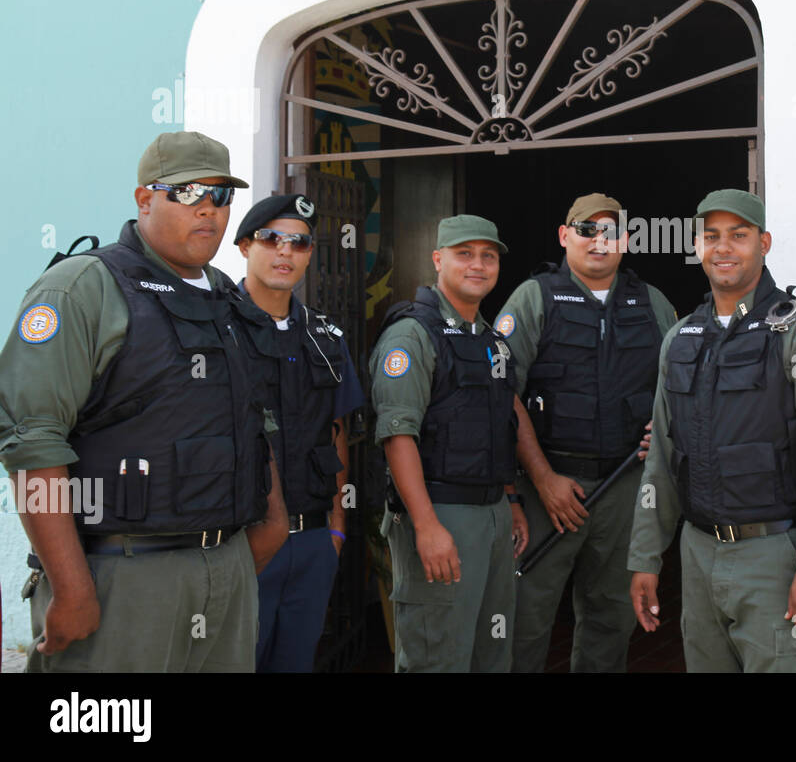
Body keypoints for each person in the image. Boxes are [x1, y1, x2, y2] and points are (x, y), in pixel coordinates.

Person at [0, 130, 288, 672]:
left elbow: (255, 419)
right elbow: (31, 441)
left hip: (226, 566)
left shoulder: (227, 296)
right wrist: (71, 586)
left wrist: (272, 521)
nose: (207, 208)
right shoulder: (84, 287)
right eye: (187, 192)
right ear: (144, 199)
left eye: (221, 194)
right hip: (123, 573)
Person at [627, 189, 796, 672]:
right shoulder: (681, 339)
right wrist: (646, 557)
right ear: (697, 246)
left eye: (739, 235)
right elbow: (663, 460)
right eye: (712, 236)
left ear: (764, 243)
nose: (724, 248)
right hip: (698, 554)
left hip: (775, 556)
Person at [496, 193, 677, 673]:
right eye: (587, 229)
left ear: (627, 240)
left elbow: (684, 384)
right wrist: (542, 480)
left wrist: (665, 430)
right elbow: (501, 394)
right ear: (564, 236)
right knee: (525, 620)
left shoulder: (651, 303)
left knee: (610, 621)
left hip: (624, 487)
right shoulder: (534, 298)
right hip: (549, 490)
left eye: (611, 231)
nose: (599, 240)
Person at [369, 214, 531, 672]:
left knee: (489, 655)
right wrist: (426, 526)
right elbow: (397, 434)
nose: (478, 265)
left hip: (492, 513)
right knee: (437, 656)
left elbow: (499, 426)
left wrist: (510, 500)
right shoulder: (412, 335)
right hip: (440, 512)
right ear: (438, 259)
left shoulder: (491, 341)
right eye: (465, 254)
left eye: (488, 256)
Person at [234, 193, 366, 672]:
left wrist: (337, 527)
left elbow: (335, 430)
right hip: (239, 542)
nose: (285, 251)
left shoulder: (324, 335)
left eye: (300, 243)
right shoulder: (218, 327)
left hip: (312, 541)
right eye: (271, 239)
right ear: (245, 246)